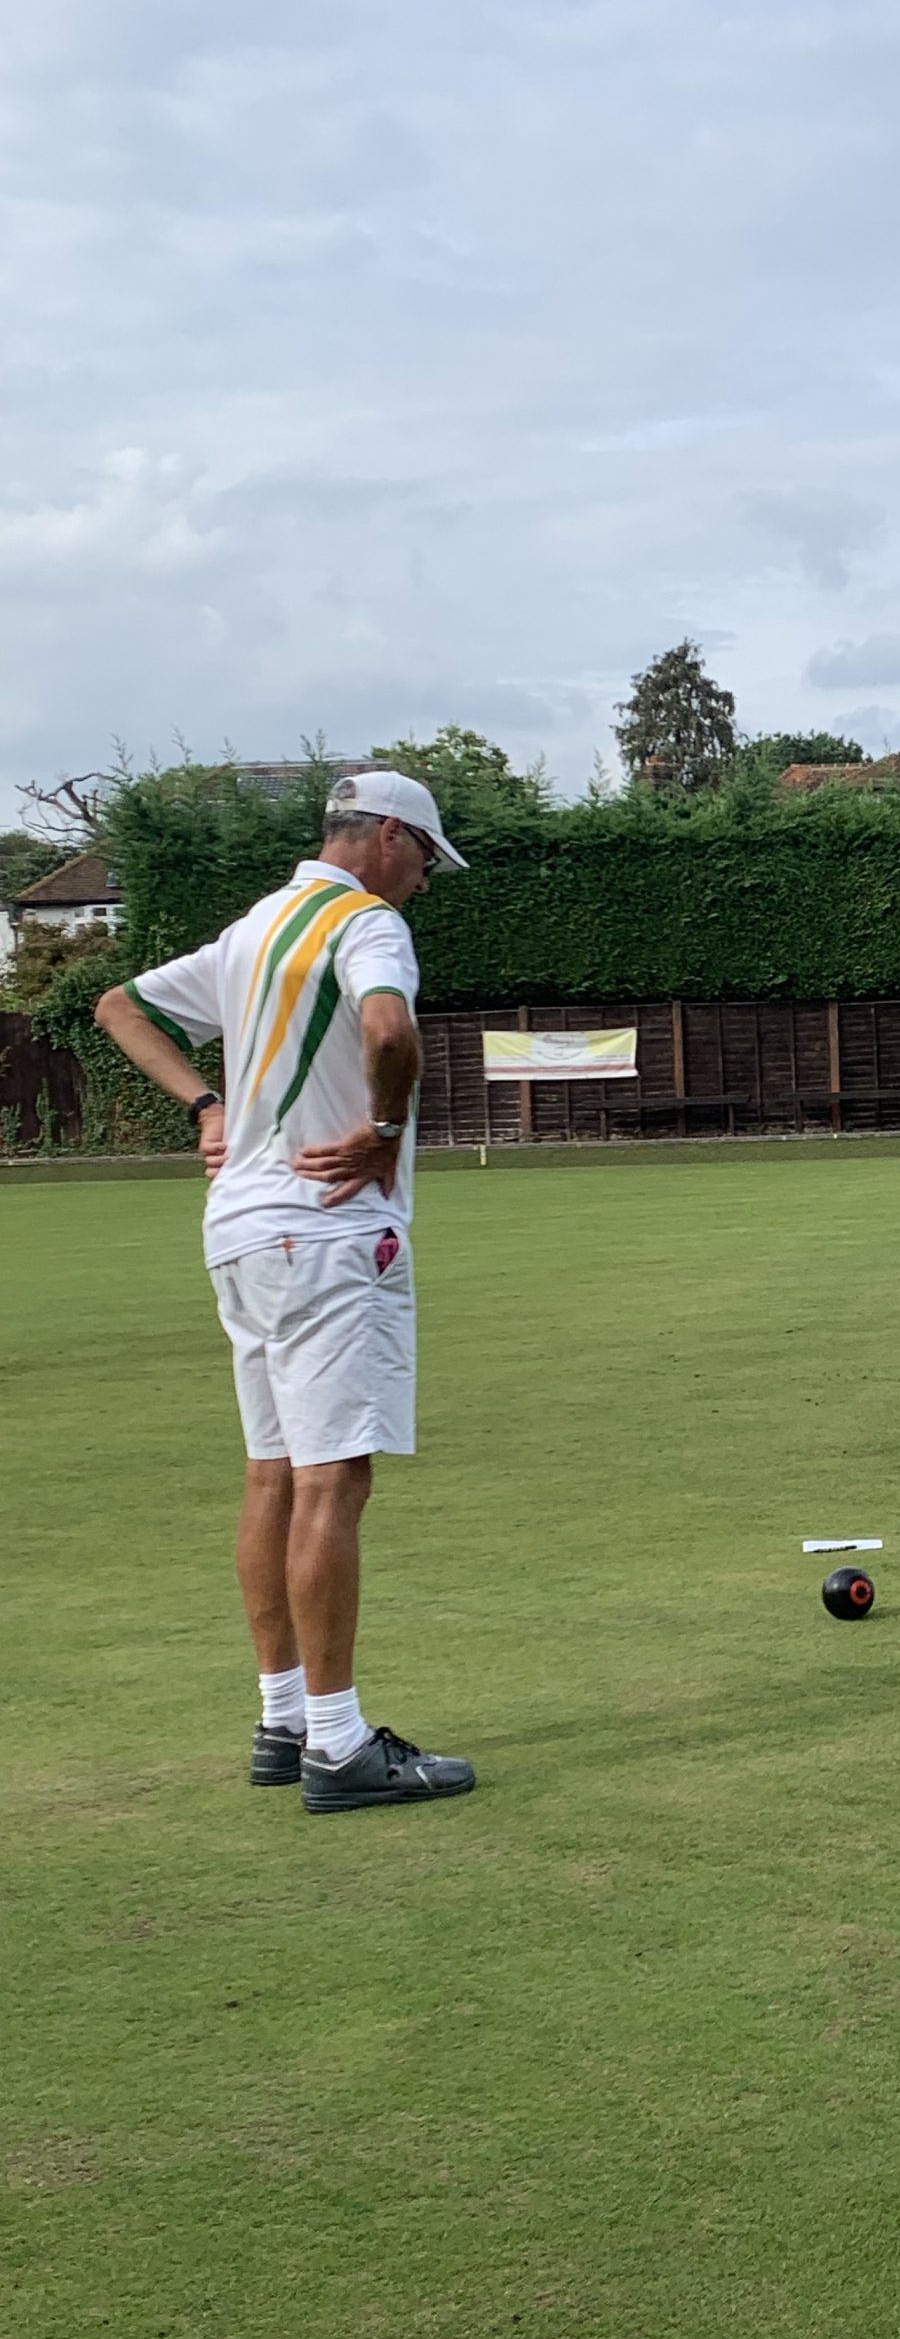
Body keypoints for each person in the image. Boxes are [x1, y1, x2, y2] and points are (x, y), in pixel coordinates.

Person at [93, 770, 478, 1814]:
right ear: (389, 836)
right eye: (426, 861)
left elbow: (118, 1005)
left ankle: (283, 1715)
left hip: (242, 1234)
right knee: (331, 1482)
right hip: (328, 1230)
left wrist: (206, 1107)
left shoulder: (255, 926)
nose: (425, 885)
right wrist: (387, 1131)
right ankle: (340, 1744)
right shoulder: (365, 923)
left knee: (272, 1472)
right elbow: (392, 1034)